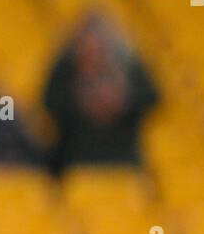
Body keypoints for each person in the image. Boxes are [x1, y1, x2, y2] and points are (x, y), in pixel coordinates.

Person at [41, 12, 158, 174]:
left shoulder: (129, 65)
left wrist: (122, 100)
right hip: (75, 161)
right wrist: (82, 101)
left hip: (123, 162)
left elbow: (153, 99)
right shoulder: (66, 68)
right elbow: (48, 103)